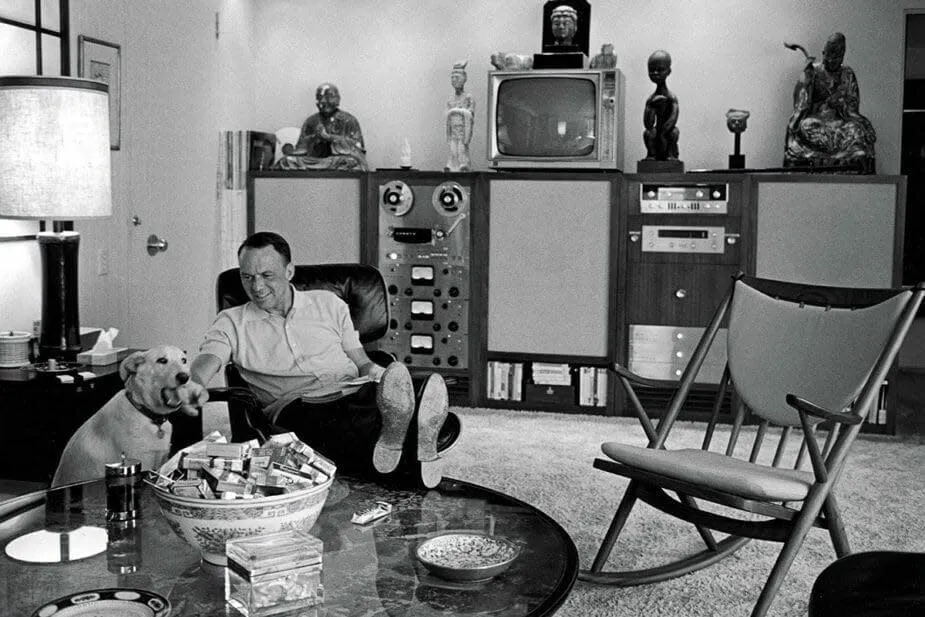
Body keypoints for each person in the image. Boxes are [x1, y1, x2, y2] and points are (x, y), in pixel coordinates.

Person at [190, 232, 459, 488]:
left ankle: (398, 435)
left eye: (266, 275)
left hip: (353, 388)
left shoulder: (329, 304)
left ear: (289, 272)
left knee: (381, 401)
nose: (257, 287)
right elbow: (208, 359)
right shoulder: (231, 321)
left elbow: (360, 360)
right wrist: (194, 383)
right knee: (351, 422)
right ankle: (412, 443)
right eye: (247, 277)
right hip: (299, 406)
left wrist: (378, 373)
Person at [784, 32, 876, 171]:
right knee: (806, 126)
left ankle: (846, 154)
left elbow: (853, 103)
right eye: (829, 56)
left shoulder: (847, 74)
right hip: (817, 119)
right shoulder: (813, 71)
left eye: (837, 58)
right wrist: (808, 82)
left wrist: (840, 103)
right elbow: (801, 103)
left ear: (843, 57)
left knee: (856, 129)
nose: (832, 61)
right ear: (823, 53)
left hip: (840, 120)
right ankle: (831, 155)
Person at [272, 83, 369, 171]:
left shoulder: (348, 120)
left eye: (328, 97)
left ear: (338, 99)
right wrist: (314, 139)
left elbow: (358, 148)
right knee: (286, 161)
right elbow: (301, 148)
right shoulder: (311, 121)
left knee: (352, 163)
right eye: (319, 98)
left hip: (336, 161)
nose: (323, 101)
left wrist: (330, 138)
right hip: (314, 161)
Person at [643, 50, 680, 161]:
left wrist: (663, 133)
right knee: (648, 133)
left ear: (668, 71)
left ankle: (670, 154)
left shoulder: (671, 98)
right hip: (656, 135)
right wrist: (651, 107)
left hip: (666, 133)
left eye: (660, 70)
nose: (655, 73)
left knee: (674, 132)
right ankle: (651, 154)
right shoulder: (651, 100)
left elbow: (673, 119)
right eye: (652, 70)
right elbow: (648, 124)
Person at [445, 61, 475, 172]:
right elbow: (447, 115)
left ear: (464, 79)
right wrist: (453, 112)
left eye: (457, 77)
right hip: (453, 129)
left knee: (462, 148)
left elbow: (470, 113)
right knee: (453, 149)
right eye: (452, 78)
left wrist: (459, 111)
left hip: (462, 129)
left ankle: (464, 164)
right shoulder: (450, 99)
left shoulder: (468, 97)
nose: (454, 80)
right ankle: (452, 164)